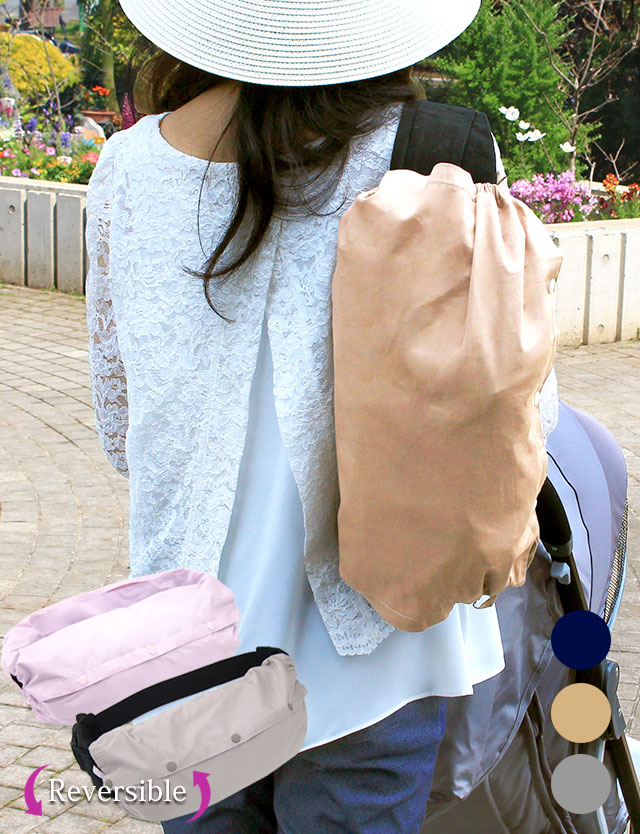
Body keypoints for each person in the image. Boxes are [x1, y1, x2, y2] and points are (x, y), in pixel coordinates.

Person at [84, 1, 559, 831]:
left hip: (192, 648)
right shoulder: (439, 155)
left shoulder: (128, 165)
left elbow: (120, 428)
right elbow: (520, 409)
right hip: (380, 639)